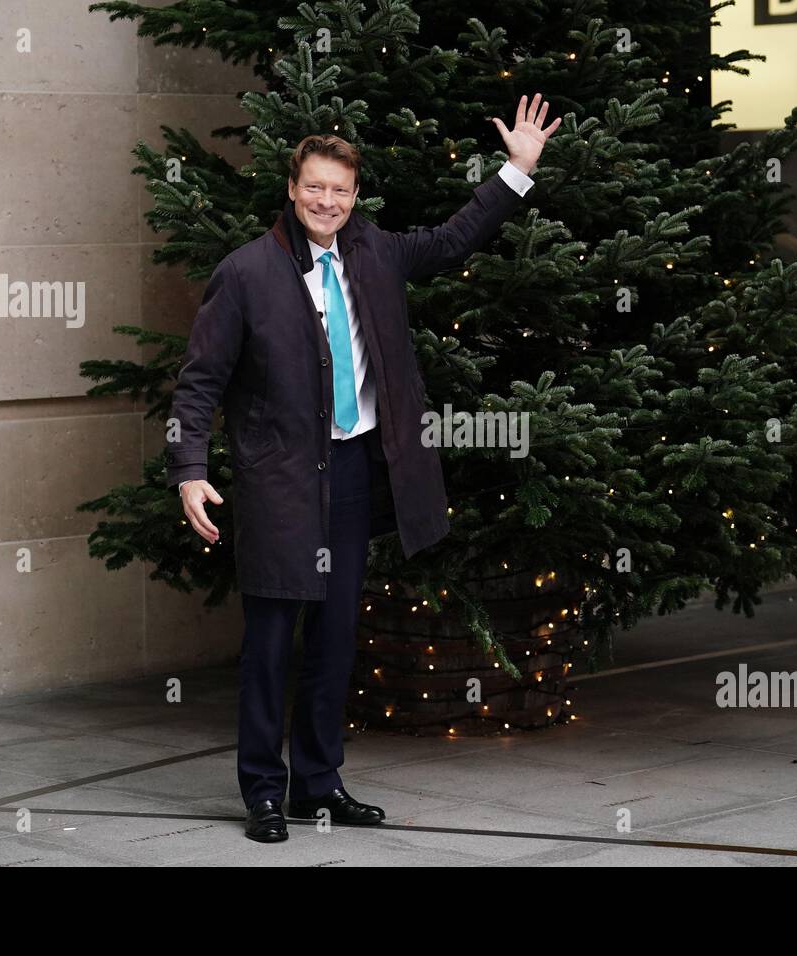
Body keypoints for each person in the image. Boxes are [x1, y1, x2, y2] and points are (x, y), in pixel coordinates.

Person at [166, 94, 561, 843]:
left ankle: (319, 784)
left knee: (337, 637)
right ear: (292, 188)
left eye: (340, 190)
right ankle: (262, 792)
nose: (327, 201)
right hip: (280, 483)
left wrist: (517, 170)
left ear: (354, 195)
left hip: (352, 475)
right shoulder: (246, 273)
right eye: (315, 187)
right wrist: (190, 468)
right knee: (272, 641)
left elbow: (453, 240)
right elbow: (199, 382)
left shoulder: (375, 252)